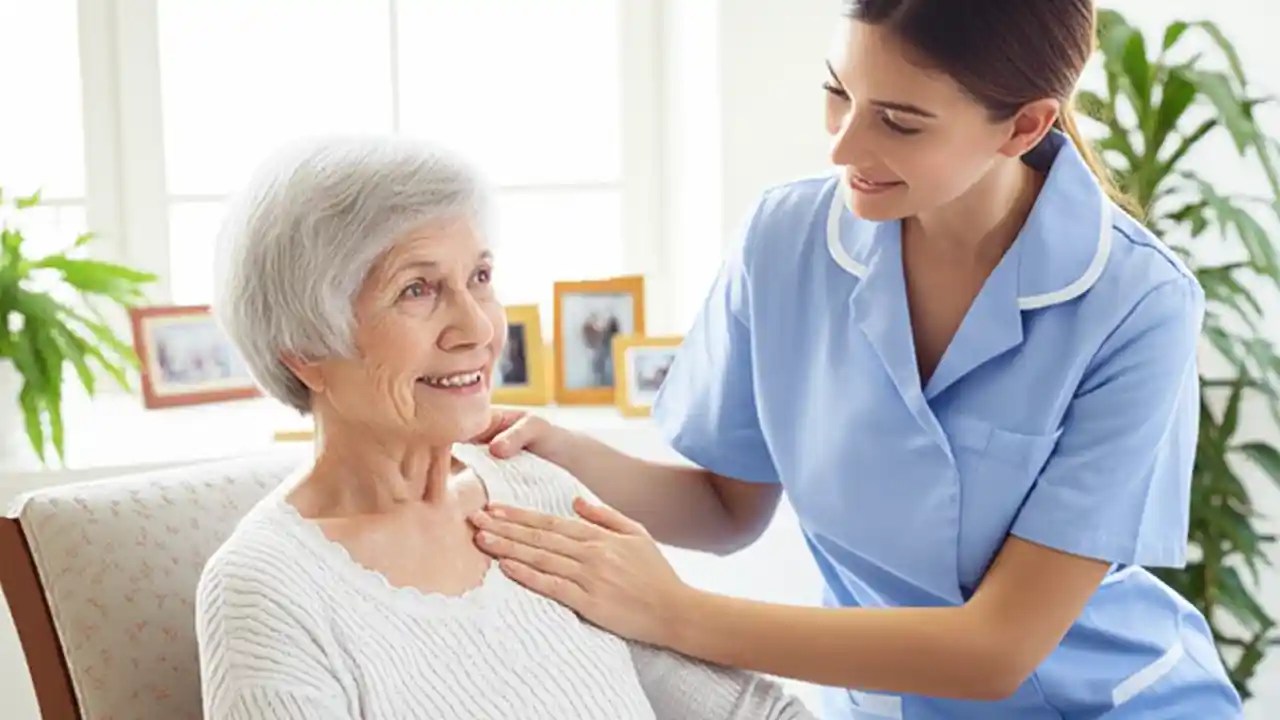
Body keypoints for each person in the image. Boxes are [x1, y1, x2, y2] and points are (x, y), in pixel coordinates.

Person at [467, 1, 1244, 718]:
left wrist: (675, 612)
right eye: (838, 93)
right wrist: (563, 454)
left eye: (900, 122)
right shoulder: (785, 241)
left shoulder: (1138, 303)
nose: (843, 146)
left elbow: (997, 651)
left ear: (1023, 127)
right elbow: (725, 508)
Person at [195, 135, 817, 719]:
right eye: (418, 290)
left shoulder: (535, 489)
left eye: (480, 279)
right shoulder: (266, 588)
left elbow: (752, 712)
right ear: (303, 351)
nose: (480, 329)